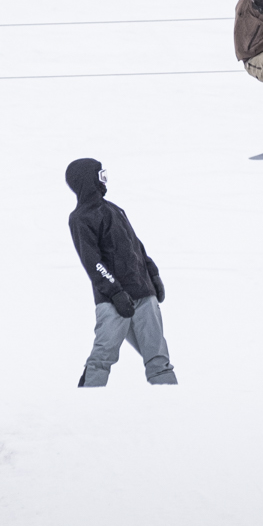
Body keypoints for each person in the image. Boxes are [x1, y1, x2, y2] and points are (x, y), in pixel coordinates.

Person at [66, 158, 176, 386]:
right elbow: (92, 262)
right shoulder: (81, 218)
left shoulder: (114, 209)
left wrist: (153, 274)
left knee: (159, 358)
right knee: (103, 355)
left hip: (144, 295)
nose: (104, 181)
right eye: (100, 175)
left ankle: (169, 402)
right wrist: (115, 292)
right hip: (113, 301)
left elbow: (135, 245)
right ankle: (86, 402)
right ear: (88, 179)